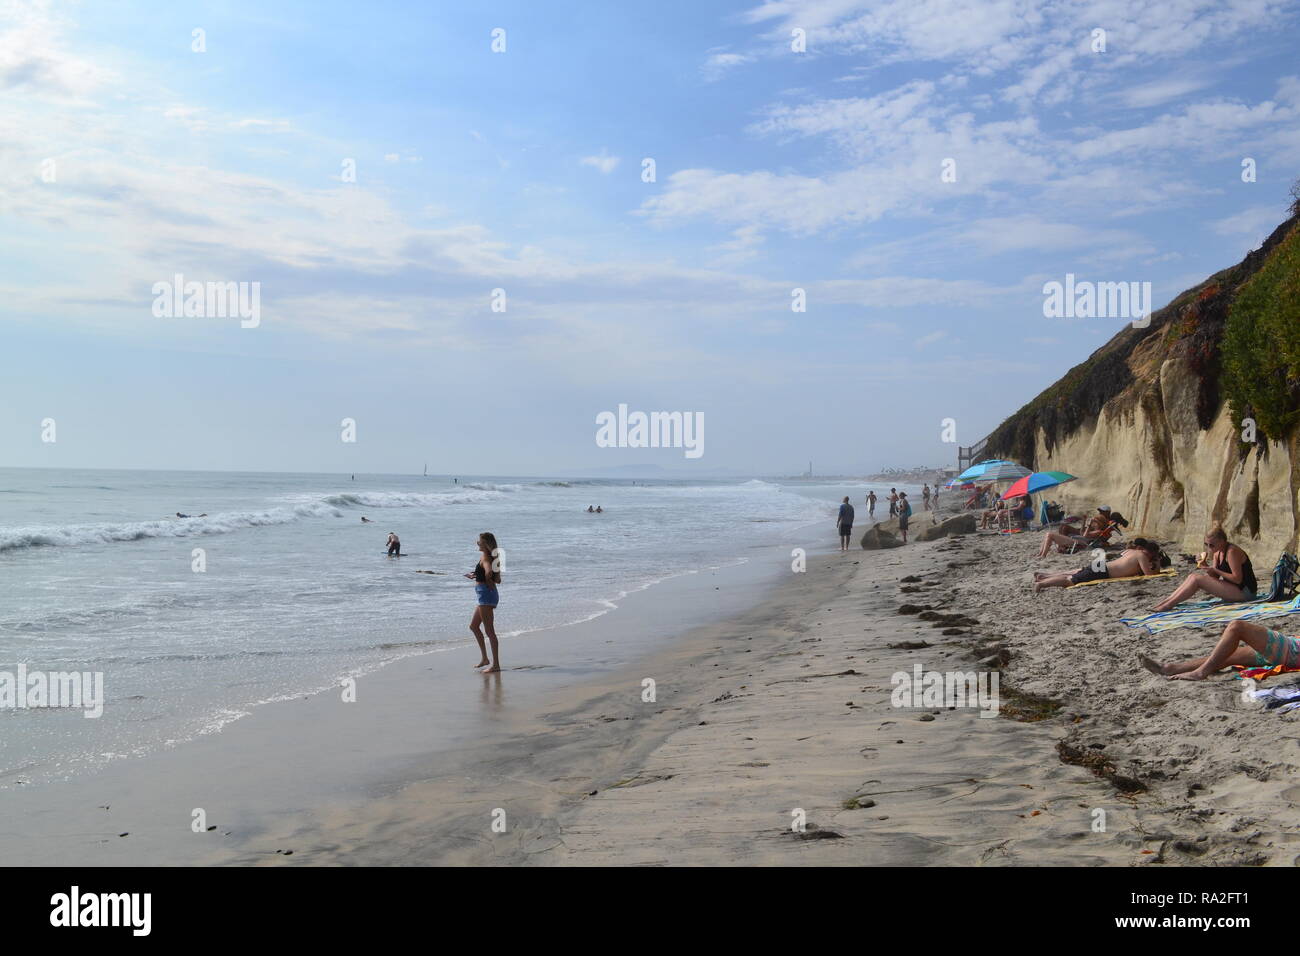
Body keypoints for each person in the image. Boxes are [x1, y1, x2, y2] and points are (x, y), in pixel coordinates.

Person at [1141, 619, 1300, 681]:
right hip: (1293, 648)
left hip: (1293, 652)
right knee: (1231, 655)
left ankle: (1200, 672)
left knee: (1237, 627)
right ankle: (1171, 669)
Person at [1150, 528, 1256, 612]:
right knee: (1192, 576)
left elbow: (1237, 579)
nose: (1209, 548)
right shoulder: (1217, 553)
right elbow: (1214, 577)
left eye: (1212, 545)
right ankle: (1165, 603)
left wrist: (1215, 569)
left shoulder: (1231, 552)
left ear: (1222, 541)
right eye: (1207, 544)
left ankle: (1168, 605)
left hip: (1245, 592)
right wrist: (1204, 565)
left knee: (1197, 579)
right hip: (1234, 589)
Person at [1032, 538, 1162, 591]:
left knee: (1076, 573)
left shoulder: (1132, 551)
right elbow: (1149, 575)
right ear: (1151, 553)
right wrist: (1157, 563)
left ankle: (1043, 577)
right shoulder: (1142, 556)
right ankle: (1042, 583)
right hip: (1103, 571)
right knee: (1070, 581)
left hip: (1103, 565)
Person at [466, 532, 503, 672]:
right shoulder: (492, 558)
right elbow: (498, 579)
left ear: (486, 544)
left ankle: (496, 665)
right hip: (486, 595)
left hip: (486, 596)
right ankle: (485, 659)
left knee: (489, 631)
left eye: (479, 541)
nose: (477, 543)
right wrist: (477, 575)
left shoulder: (487, 558)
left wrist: (487, 581)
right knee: (474, 626)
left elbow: (488, 573)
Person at [1037, 505, 1126, 556]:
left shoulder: (1099, 531)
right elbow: (1083, 533)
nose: (1098, 515)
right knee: (1048, 534)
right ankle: (1040, 554)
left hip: (1080, 543)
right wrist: (1085, 522)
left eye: (1101, 513)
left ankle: (1043, 555)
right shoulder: (1099, 529)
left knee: (1049, 534)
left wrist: (1089, 525)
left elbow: (1084, 536)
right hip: (1078, 539)